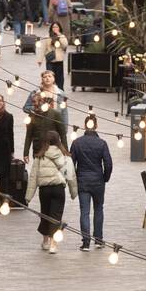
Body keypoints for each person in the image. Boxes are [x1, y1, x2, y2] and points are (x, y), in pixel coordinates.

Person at [26, 130, 77, 254]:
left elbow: (33, 177)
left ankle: (45, 241)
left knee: (45, 214)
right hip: (59, 188)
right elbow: (71, 175)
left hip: (45, 190)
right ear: (58, 141)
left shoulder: (40, 156)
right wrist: (73, 192)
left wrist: (28, 197)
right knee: (56, 217)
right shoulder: (65, 156)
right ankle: (53, 245)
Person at [69, 114, 113, 251]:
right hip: (98, 181)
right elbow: (108, 163)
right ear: (96, 126)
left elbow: (71, 164)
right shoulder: (102, 143)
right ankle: (98, 240)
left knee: (84, 211)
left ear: (84, 125)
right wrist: (105, 177)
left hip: (83, 181)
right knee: (99, 209)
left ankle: (86, 241)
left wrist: (76, 177)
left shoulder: (76, 143)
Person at [21, 84, 68, 161]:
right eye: (33, 102)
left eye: (36, 102)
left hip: (53, 151)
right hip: (37, 150)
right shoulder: (32, 115)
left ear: (42, 101)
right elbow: (29, 135)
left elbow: (63, 135)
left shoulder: (55, 114)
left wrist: (66, 153)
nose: (34, 104)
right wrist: (26, 153)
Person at [37, 21, 68, 90]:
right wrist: (40, 60)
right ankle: (50, 91)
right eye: (54, 27)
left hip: (59, 61)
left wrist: (59, 35)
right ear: (51, 28)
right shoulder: (47, 37)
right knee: (49, 78)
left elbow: (65, 45)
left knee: (60, 79)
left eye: (57, 27)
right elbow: (43, 49)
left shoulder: (62, 36)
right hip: (50, 61)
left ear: (59, 28)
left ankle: (60, 93)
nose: (55, 28)